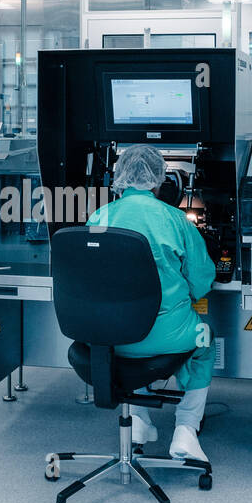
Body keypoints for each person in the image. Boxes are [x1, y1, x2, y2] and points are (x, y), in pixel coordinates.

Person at [86, 144, 216, 462]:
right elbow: (202, 282)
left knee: (132, 333)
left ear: (119, 177)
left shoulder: (99, 217)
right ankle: (186, 429)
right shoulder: (176, 220)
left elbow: (91, 278)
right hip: (166, 336)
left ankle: (140, 423)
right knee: (205, 341)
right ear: (160, 181)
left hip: (110, 339)